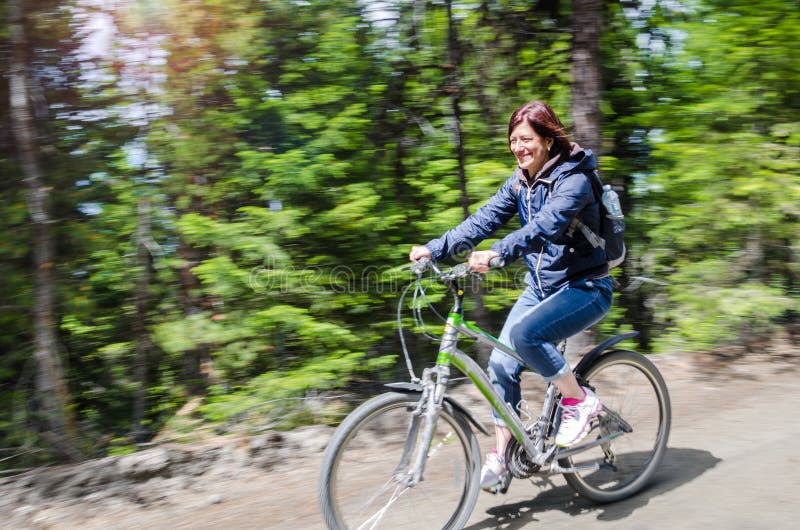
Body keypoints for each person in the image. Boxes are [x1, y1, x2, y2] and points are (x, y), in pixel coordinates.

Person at [408, 101, 613, 492]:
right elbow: (482, 219)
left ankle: (580, 401)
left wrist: (500, 252)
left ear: (549, 140)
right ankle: (502, 457)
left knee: (526, 336)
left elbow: (545, 226)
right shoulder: (520, 180)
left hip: (585, 287)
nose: (519, 147)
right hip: (541, 288)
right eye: (513, 140)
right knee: (501, 364)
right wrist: (434, 249)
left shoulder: (575, 180)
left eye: (527, 139)